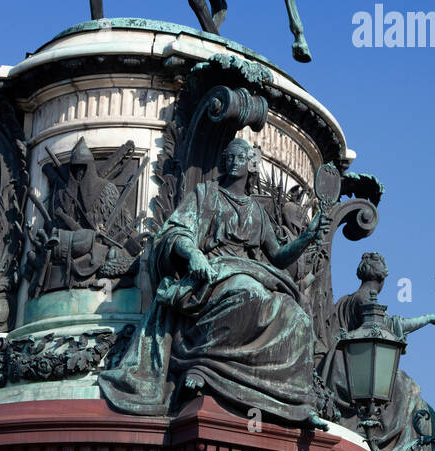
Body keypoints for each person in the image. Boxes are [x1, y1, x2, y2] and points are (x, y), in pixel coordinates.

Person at [98, 138, 329, 427]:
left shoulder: (257, 211)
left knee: (297, 318)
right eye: (229, 156)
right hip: (212, 272)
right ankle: (202, 364)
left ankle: (293, 402)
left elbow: (279, 257)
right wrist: (193, 253)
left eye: (240, 158)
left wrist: (308, 236)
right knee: (249, 294)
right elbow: (176, 231)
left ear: (250, 165)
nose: (234, 162)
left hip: (248, 271)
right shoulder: (206, 194)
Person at [320, 252, 435, 451]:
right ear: (382, 278)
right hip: (360, 369)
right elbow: (390, 328)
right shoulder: (366, 301)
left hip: (344, 367)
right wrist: (430, 318)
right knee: (413, 395)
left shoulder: (346, 300)